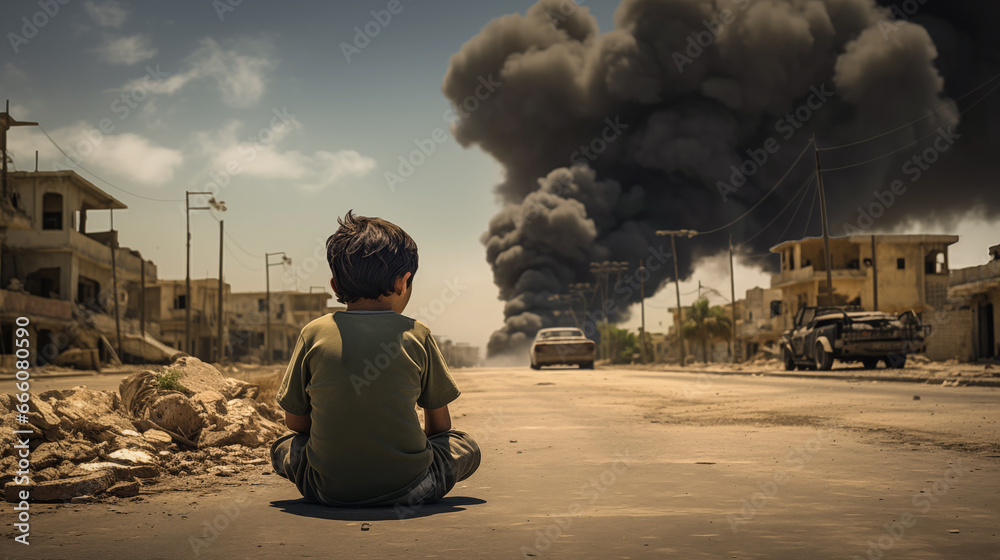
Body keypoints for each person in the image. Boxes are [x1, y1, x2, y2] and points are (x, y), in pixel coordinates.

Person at [270, 210, 480, 508]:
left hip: (326, 490)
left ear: (334, 286)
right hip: (413, 488)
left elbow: (296, 423)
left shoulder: (313, 333)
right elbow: (439, 427)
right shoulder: (417, 333)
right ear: (403, 282)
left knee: (284, 446)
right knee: (466, 445)